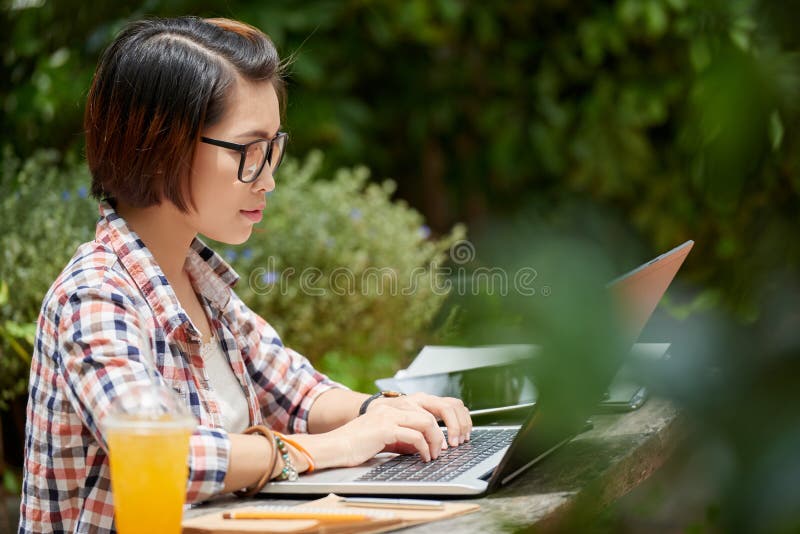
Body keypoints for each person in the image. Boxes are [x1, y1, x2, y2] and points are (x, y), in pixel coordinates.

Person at [19, 16, 472, 533]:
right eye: (249, 152)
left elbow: (297, 392)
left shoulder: (200, 284)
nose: (269, 179)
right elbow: (166, 455)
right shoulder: (95, 296)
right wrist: (329, 448)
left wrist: (387, 412)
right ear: (163, 144)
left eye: (273, 148)